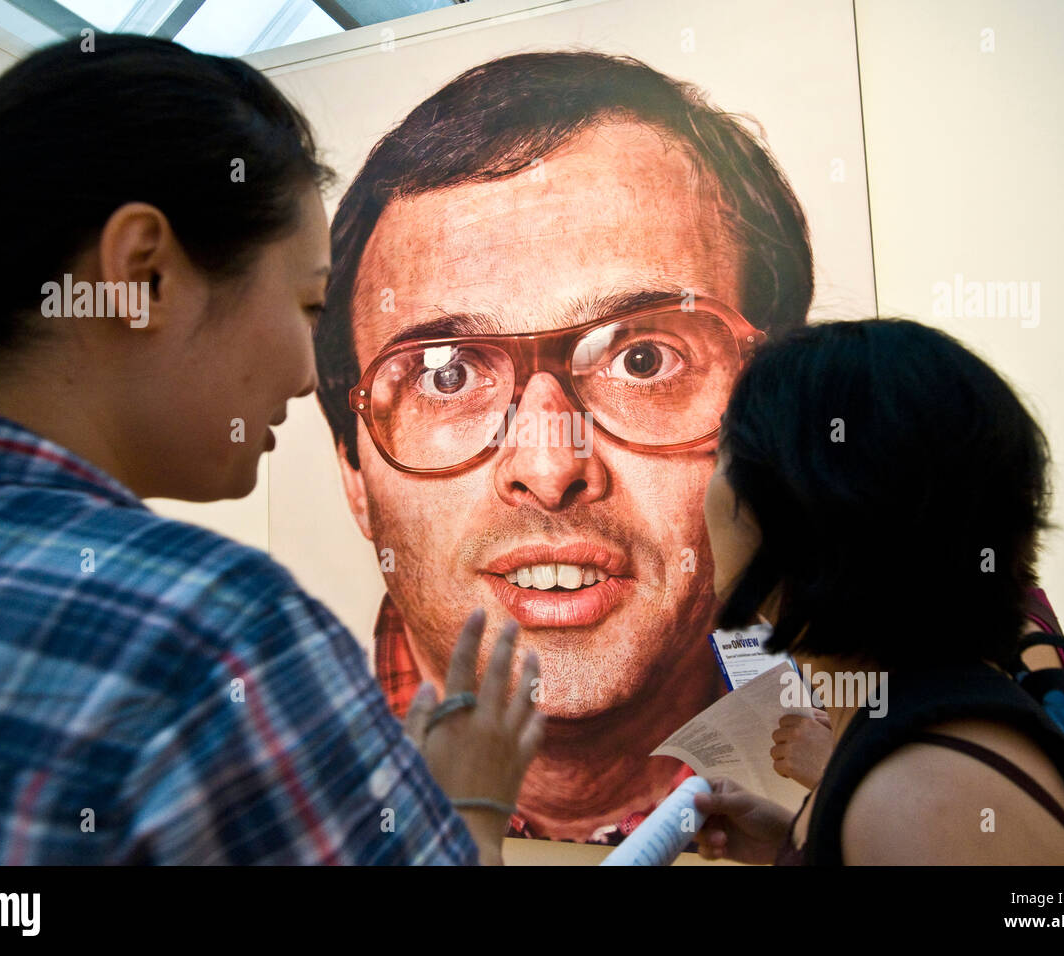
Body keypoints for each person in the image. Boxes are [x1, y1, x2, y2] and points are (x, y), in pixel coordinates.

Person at [0, 36, 542, 865]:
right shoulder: (216, 635)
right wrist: (468, 811)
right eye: (310, 304)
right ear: (143, 274)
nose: (312, 377)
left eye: (640, 359)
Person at [313, 50, 814, 842]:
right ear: (353, 468)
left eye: (644, 359)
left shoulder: (893, 766)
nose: (549, 470)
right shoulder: (240, 800)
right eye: (445, 376)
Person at [695, 318, 1064, 865]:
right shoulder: (915, 751)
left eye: (723, 454)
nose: (710, 488)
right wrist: (794, 841)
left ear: (804, 504)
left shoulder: (917, 798)